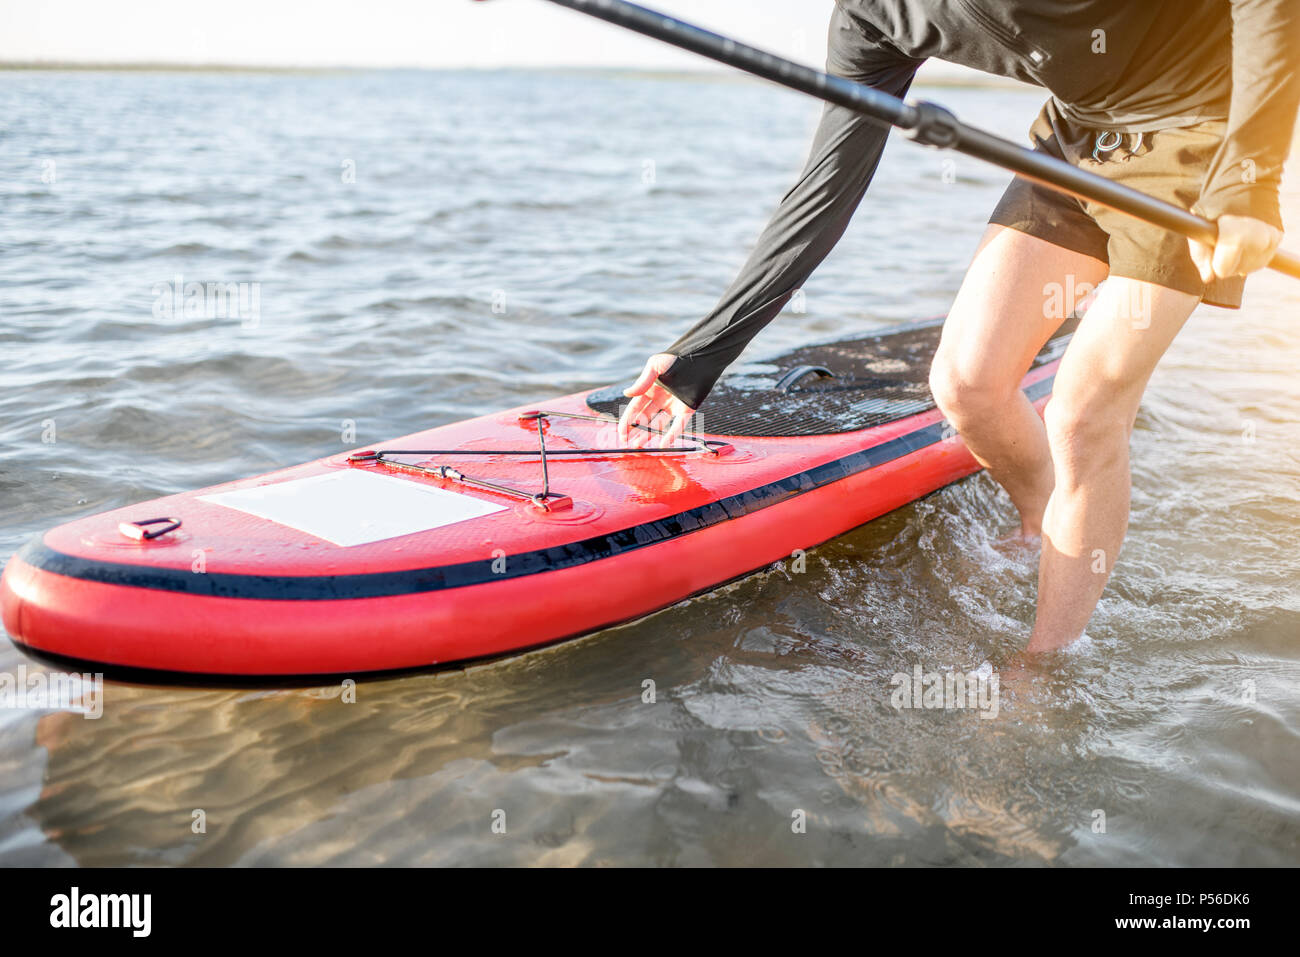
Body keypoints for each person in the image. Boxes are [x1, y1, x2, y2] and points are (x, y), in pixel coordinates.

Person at [617, 0, 1300, 652]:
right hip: (1077, 135)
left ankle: (1047, 667)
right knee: (967, 384)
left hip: (1199, 131)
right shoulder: (870, 18)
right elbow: (824, 191)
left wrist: (1250, 176)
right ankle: (1043, 518)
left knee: (1082, 412)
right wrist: (702, 355)